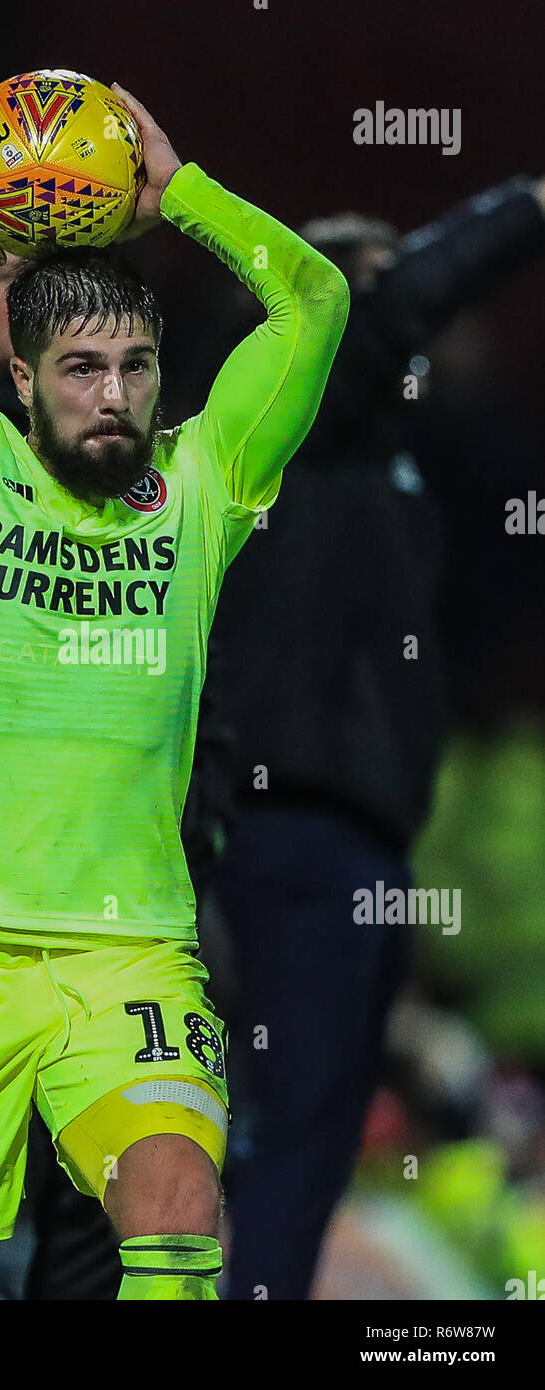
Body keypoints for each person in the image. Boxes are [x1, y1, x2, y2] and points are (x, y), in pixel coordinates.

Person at [0, 82, 348, 1302]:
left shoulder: (204, 486)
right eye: (82, 367)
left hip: (129, 950)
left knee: (175, 1198)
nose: (112, 395)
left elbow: (315, 299)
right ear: (20, 368)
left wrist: (178, 192)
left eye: (137, 367)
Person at [208, 173, 545, 1300]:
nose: (422, 322)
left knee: (312, 1122)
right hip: (294, 825)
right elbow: (392, 316)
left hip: (344, 831)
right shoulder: (294, 423)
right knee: (289, 1117)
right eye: (381, 298)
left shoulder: (368, 460)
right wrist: (527, 207)